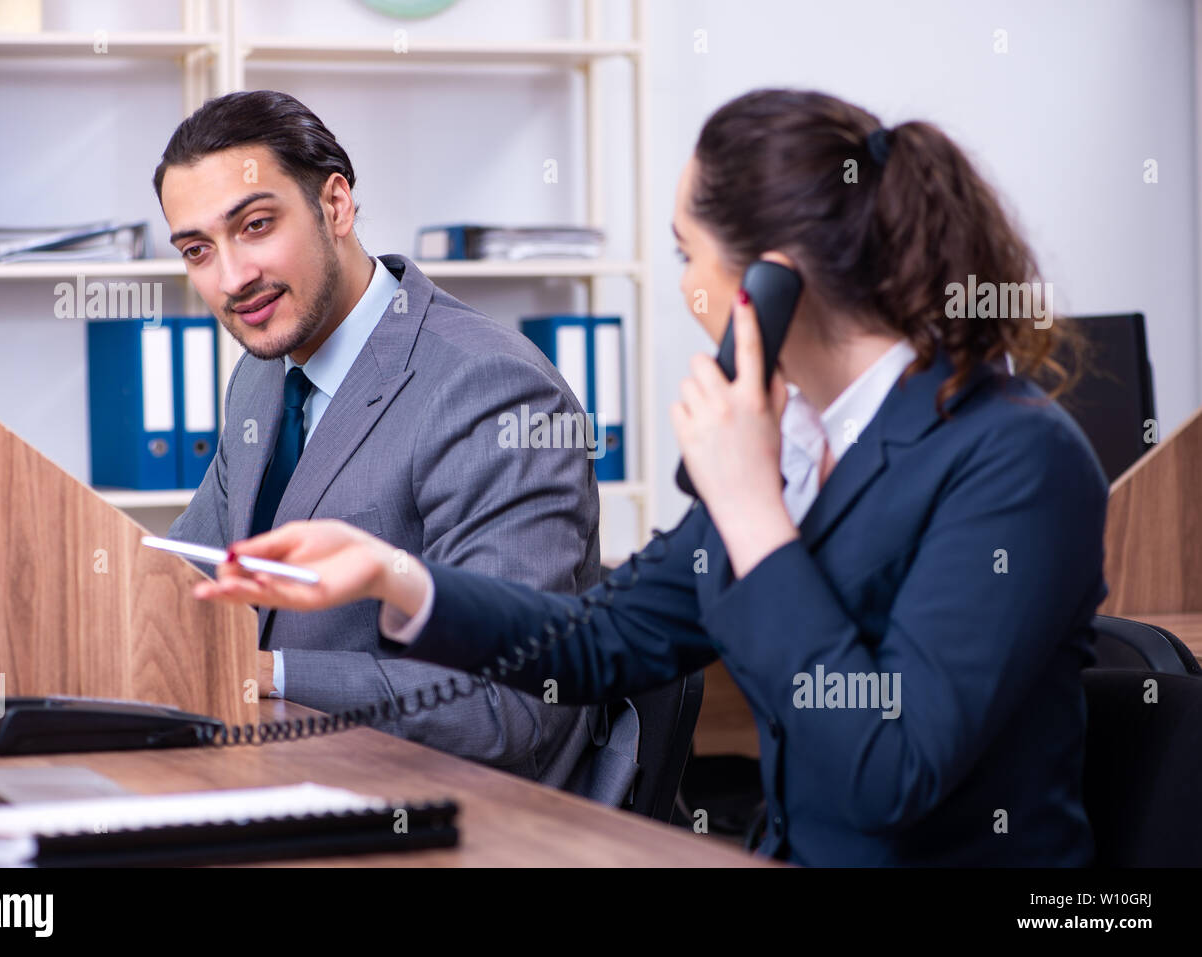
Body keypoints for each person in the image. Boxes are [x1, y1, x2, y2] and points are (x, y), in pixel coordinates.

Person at [193, 88, 1109, 866]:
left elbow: (889, 770)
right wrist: (398, 575)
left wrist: (753, 512)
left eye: (685, 255)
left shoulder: (1015, 458)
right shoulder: (790, 439)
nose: (682, 288)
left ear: (769, 281)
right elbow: (602, 639)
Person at [155, 90, 638, 805]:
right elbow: (187, 585)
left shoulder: (488, 385)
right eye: (198, 250)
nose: (231, 278)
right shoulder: (260, 378)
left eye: (256, 226)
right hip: (286, 790)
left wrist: (266, 674)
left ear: (337, 205)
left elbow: (509, 709)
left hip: (461, 824)